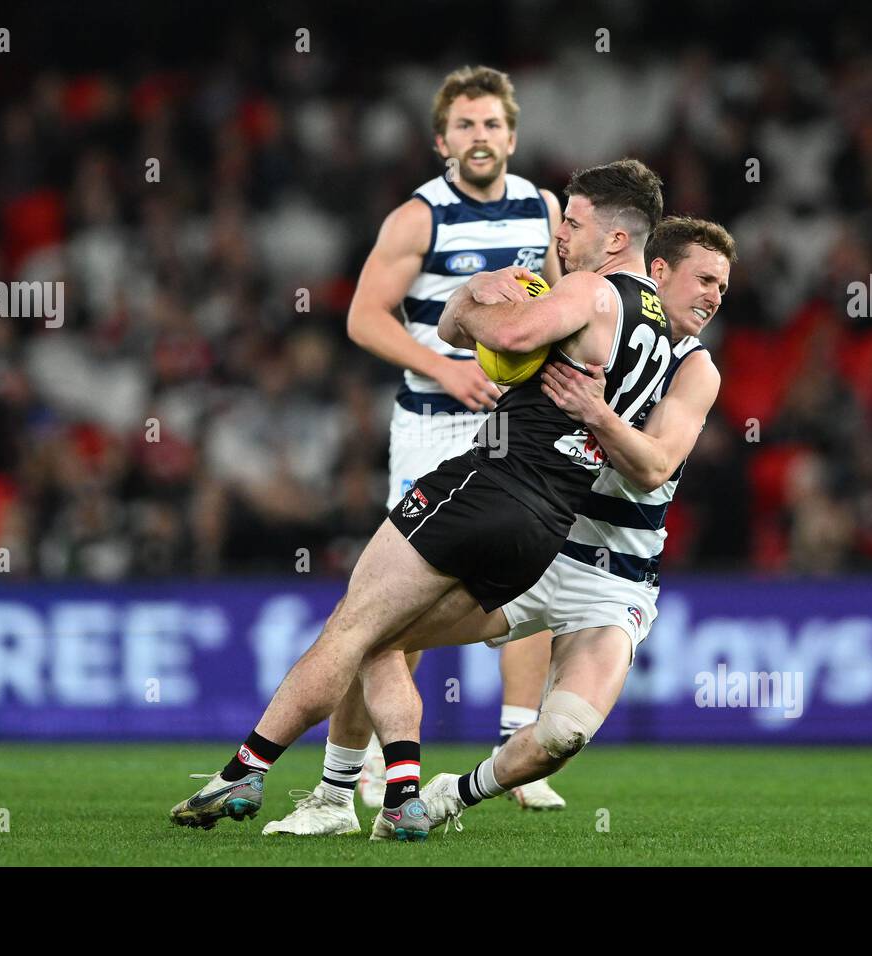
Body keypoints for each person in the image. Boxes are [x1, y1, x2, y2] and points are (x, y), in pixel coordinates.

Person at [170, 157, 669, 841]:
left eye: (575, 225)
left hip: (487, 483)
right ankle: (403, 793)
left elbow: (504, 334)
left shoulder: (592, 290)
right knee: (386, 640)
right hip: (544, 526)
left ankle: (243, 770)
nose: (562, 238)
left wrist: (472, 297)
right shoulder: (660, 332)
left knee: (351, 627)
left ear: (616, 239)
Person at [264, 215, 733, 838]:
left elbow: (654, 466)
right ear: (657, 272)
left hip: (616, 581)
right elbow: (513, 340)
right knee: (379, 634)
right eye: (704, 279)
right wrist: (479, 295)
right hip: (545, 550)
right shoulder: (583, 321)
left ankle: (449, 795)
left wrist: (596, 413)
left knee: (563, 736)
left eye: (722, 288)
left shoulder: (696, 369)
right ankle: (333, 794)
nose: (713, 296)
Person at [306, 65, 565, 816]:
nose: (478, 137)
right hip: (433, 420)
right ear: (440, 140)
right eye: (464, 125)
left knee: (534, 585)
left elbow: (560, 307)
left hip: (516, 424)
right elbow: (364, 317)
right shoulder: (419, 217)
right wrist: (446, 367)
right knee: (402, 598)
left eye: (490, 124)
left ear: (511, 136)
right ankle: (356, 767)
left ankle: (520, 754)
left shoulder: (544, 209)